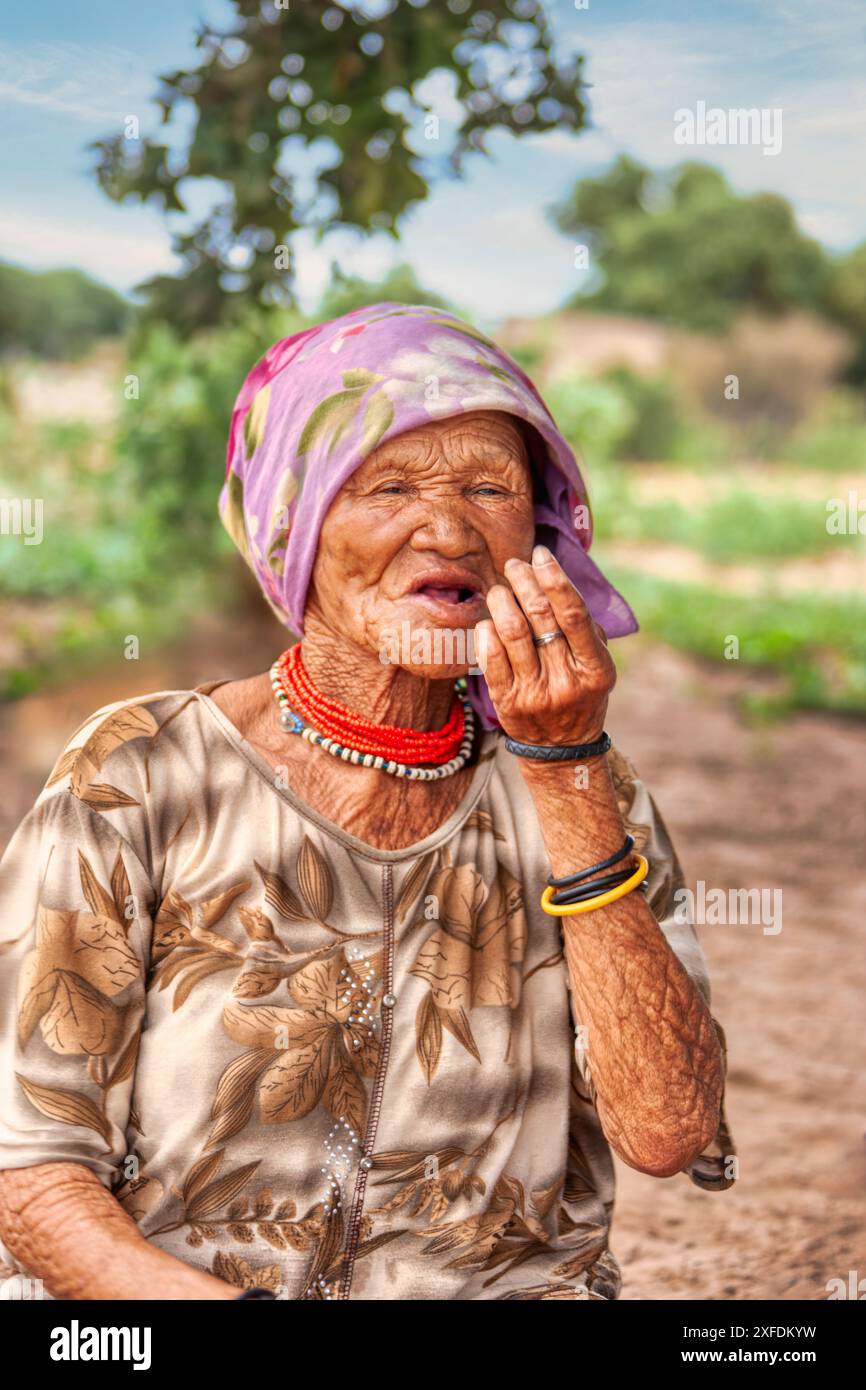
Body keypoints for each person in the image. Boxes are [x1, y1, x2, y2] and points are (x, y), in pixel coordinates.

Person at [0, 303, 734, 1301]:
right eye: (387, 485)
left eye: (490, 486)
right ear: (290, 526)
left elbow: (666, 1130)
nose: (448, 530)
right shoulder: (138, 773)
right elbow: (32, 1168)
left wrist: (564, 772)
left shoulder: (580, 786)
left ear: (538, 531)